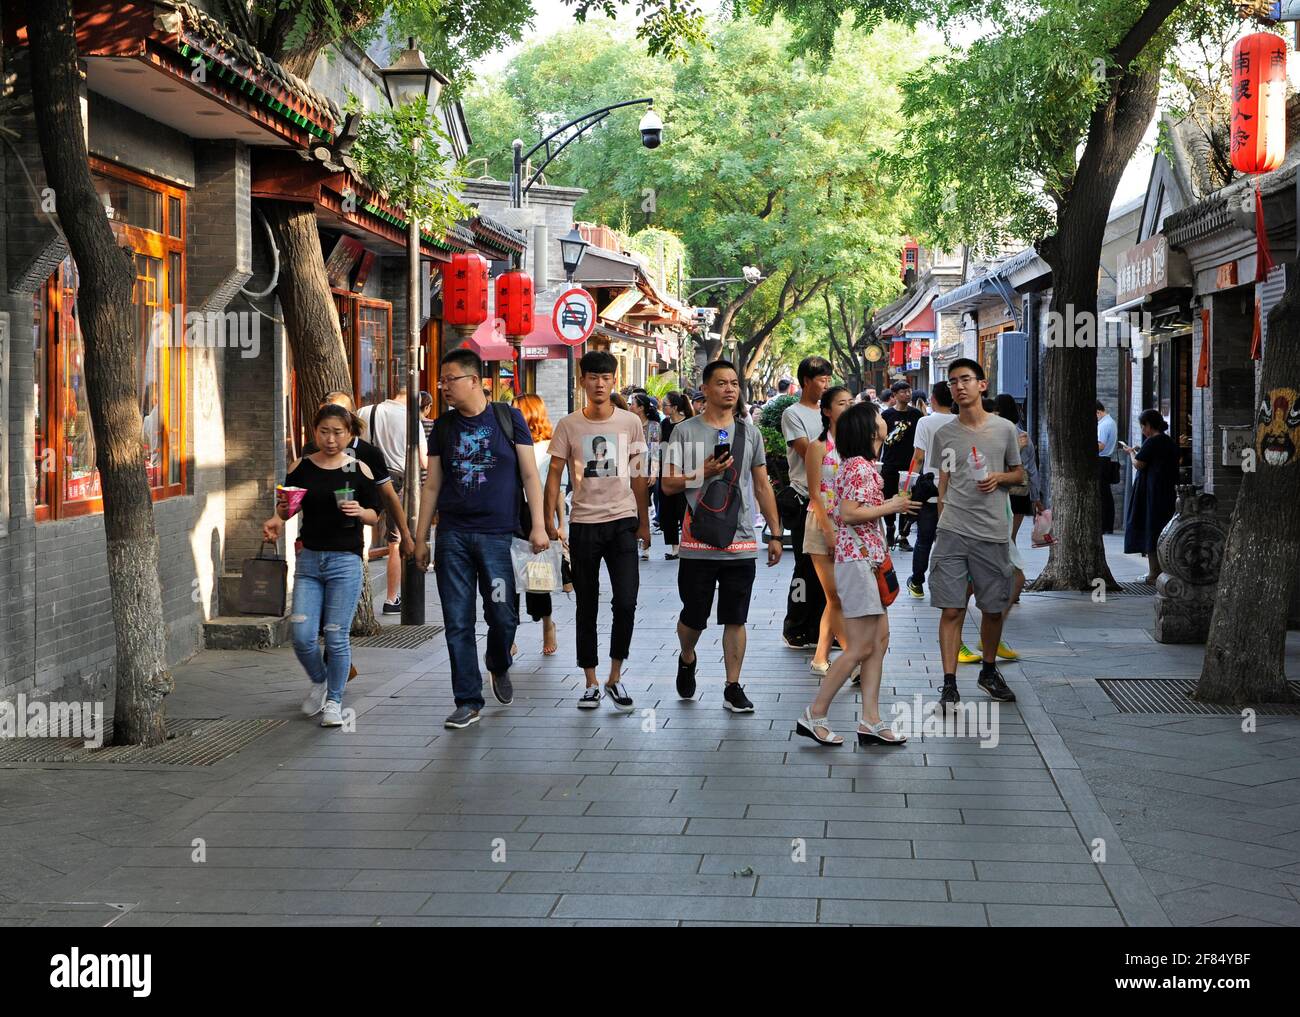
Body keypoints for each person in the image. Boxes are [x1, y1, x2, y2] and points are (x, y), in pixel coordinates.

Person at [413, 349, 550, 730]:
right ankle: (468, 700)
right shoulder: (442, 427)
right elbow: (433, 485)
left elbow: (529, 476)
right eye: (441, 381)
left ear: (474, 381)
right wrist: (421, 538)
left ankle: (498, 661)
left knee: (503, 615)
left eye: (449, 379)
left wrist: (539, 525)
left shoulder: (509, 418)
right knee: (458, 620)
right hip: (453, 536)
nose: (443, 388)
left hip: (498, 537)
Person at [663, 359, 783, 714]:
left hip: (741, 540)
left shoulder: (750, 433)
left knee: (736, 616)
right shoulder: (684, 431)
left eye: (734, 383)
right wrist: (703, 472)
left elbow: (762, 485)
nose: (729, 389)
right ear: (705, 389)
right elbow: (668, 484)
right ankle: (687, 656)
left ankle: (733, 685)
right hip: (697, 540)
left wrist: (775, 533)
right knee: (694, 617)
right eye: (721, 383)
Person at [796, 401, 916, 746]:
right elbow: (849, 513)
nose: (884, 420)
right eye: (878, 417)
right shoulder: (860, 467)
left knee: (878, 642)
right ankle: (814, 714)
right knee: (861, 646)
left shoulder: (860, 464)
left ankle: (871, 720)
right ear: (868, 429)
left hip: (867, 561)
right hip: (859, 563)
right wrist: (892, 505)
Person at [263, 404, 381, 727]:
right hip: (310, 560)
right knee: (301, 634)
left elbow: (375, 514)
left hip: (345, 561)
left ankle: (334, 701)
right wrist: (276, 519)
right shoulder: (301, 467)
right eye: (324, 432)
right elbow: (288, 507)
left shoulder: (359, 470)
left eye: (338, 432)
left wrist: (361, 512)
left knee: (336, 634)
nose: (330, 439)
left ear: (350, 434)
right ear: (314, 432)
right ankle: (321, 680)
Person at [546, 351, 650, 712]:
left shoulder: (630, 423)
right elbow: (554, 474)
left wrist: (645, 525)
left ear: (614, 380)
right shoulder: (569, 424)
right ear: (582, 381)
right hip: (583, 525)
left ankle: (615, 676)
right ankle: (590, 681)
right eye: (592, 377)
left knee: (626, 600)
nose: (600, 383)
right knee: (586, 605)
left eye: (606, 377)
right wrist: (550, 520)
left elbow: (639, 474)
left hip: (622, 522)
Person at [930, 358, 1024, 708]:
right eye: (953, 381)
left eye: (966, 379)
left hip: (992, 532)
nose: (959, 386)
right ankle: (949, 682)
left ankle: (988, 671)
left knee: (993, 608)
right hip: (953, 529)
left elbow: (1019, 474)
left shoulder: (1004, 430)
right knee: (951, 609)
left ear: (982, 385)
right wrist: (941, 510)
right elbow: (946, 477)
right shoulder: (945, 434)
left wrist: (999, 478)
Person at [358, 383, 427, 615]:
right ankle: (391, 598)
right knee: (395, 543)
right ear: (414, 400)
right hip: (396, 483)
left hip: (364, 479)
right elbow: (424, 461)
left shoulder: (365, 412)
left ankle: (358, 591)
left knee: (361, 531)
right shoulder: (410, 418)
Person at [779, 356, 833, 648]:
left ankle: (822, 628)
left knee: (826, 568)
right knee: (804, 567)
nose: (826, 385)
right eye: (821, 379)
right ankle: (795, 625)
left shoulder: (831, 413)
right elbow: (807, 452)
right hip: (804, 499)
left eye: (828, 379)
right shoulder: (793, 414)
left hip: (831, 501)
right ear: (805, 382)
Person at [803, 385, 854, 677]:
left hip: (852, 525)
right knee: (836, 597)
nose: (847, 408)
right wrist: (829, 532)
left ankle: (821, 658)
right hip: (822, 524)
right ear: (826, 411)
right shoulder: (818, 446)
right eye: (841, 404)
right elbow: (815, 494)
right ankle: (853, 658)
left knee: (836, 599)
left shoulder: (857, 444)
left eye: (851, 403)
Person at [516, 393, 565, 656]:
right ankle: (508, 632)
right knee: (509, 575)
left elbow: (556, 490)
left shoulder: (548, 447)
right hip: (513, 513)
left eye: (516, 410)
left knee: (538, 578)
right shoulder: (511, 444)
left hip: (538, 515)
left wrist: (559, 522)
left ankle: (547, 623)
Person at [905, 380, 955, 599]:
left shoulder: (925, 422)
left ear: (932, 399)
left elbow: (918, 458)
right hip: (954, 491)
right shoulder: (960, 421)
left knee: (924, 539)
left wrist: (906, 487)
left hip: (929, 489)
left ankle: (917, 582)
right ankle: (947, 582)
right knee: (950, 539)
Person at [1123, 409, 1179, 584]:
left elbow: (1139, 464)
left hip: (1150, 492)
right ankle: (1161, 571)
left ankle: (1154, 573)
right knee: (1163, 529)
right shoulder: (1168, 441)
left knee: (1151, 529)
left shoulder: (1152, 441)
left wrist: (1131, 453)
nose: (1142, 430)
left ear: (1148, 425)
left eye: (1142, 426)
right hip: (1166, 491)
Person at [880, 380, 924, 550]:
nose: (907, 394)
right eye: (903, 391)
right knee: (889, 497)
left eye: (909, 391)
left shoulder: (916, 415)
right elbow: (880, 440)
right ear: (895, 395)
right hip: (890, 464)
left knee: (907, 499)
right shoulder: (886, 415)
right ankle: (890, 528)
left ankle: (903, 536)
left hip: (910, 464)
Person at [658, 391, 693, 559]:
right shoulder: (664, 424)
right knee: (668, 510)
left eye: (665, 404)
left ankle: (687, 543)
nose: (663, 407)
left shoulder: (689, 423)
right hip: (666, 471)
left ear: (675, 407)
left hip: (685, 472)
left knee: (683, 508)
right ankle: (674, 547)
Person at [630, 393, 662, 559]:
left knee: (644, 508)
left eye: (633, 404)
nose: (630, 407)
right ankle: (634, 541)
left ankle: (645, 543)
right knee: (633, 507)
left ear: (641, 407)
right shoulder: (629, 424)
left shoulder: (654, 426)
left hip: (647, 469)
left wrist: (654, 472)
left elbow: (655, 449)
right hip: (631, 470)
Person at [1097, 400, 1118, 534]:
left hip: (1101, 460)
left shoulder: (1104, 424)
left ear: (1098, 412)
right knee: (1105, 494)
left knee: (1103, 495)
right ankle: (1106, 525)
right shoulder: (1110, 422)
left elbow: (1100, 445)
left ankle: (1105, 525)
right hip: (1105, 461)